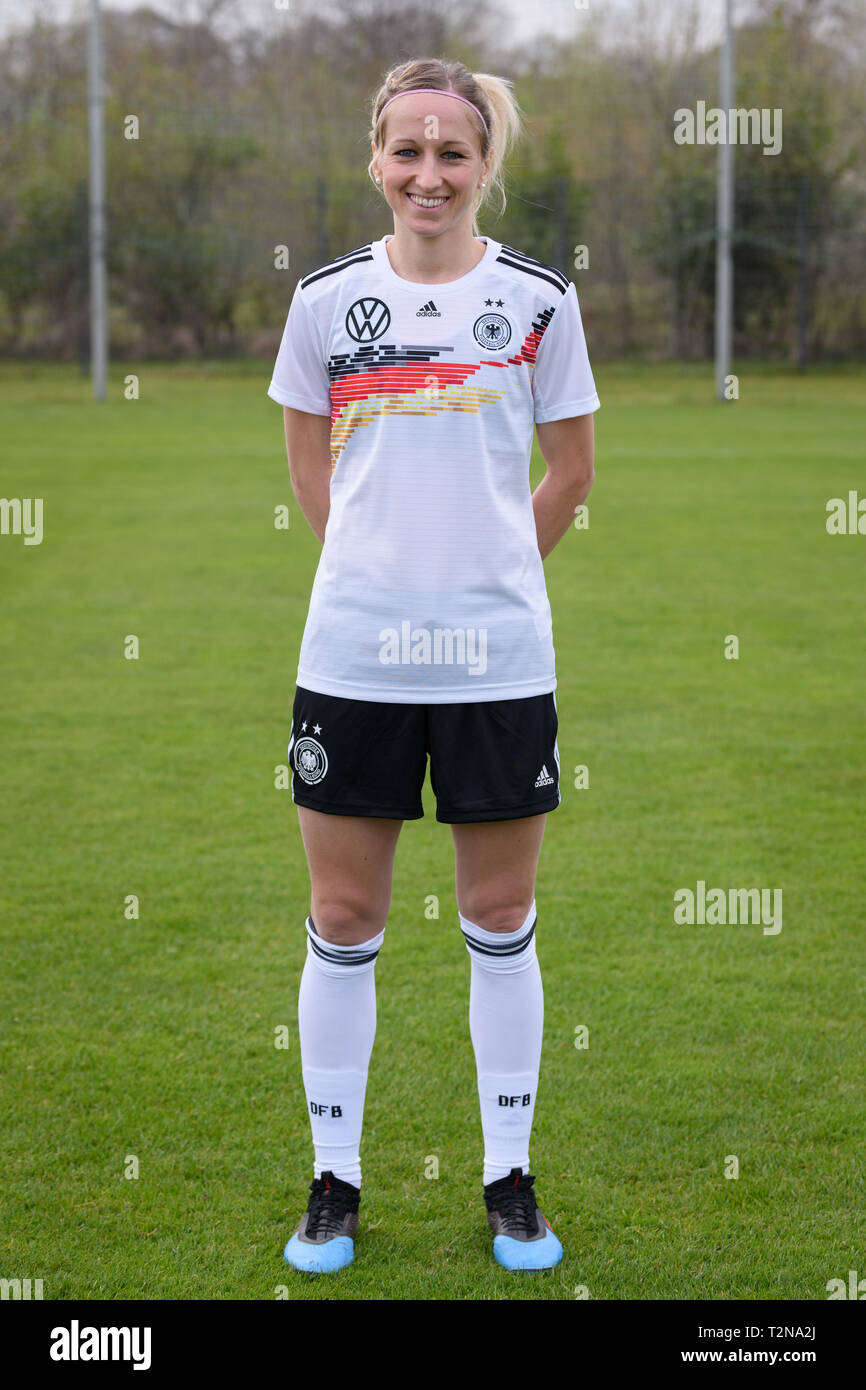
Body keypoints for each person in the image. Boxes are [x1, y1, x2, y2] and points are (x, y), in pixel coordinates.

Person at [266, 56, 599, 1275]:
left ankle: (508, 1179)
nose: (427, 174)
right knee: (344, 917)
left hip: (494, 665)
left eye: (451, 153)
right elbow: (314, 473)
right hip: (352, 657)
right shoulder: (321, 303)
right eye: (406, 151)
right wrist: (381, 577)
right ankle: (334, 1182)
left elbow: (570, 474)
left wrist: (485, 582)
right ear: (376, 159)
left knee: (498, 914)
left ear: (483, 166)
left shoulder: (539, 302)